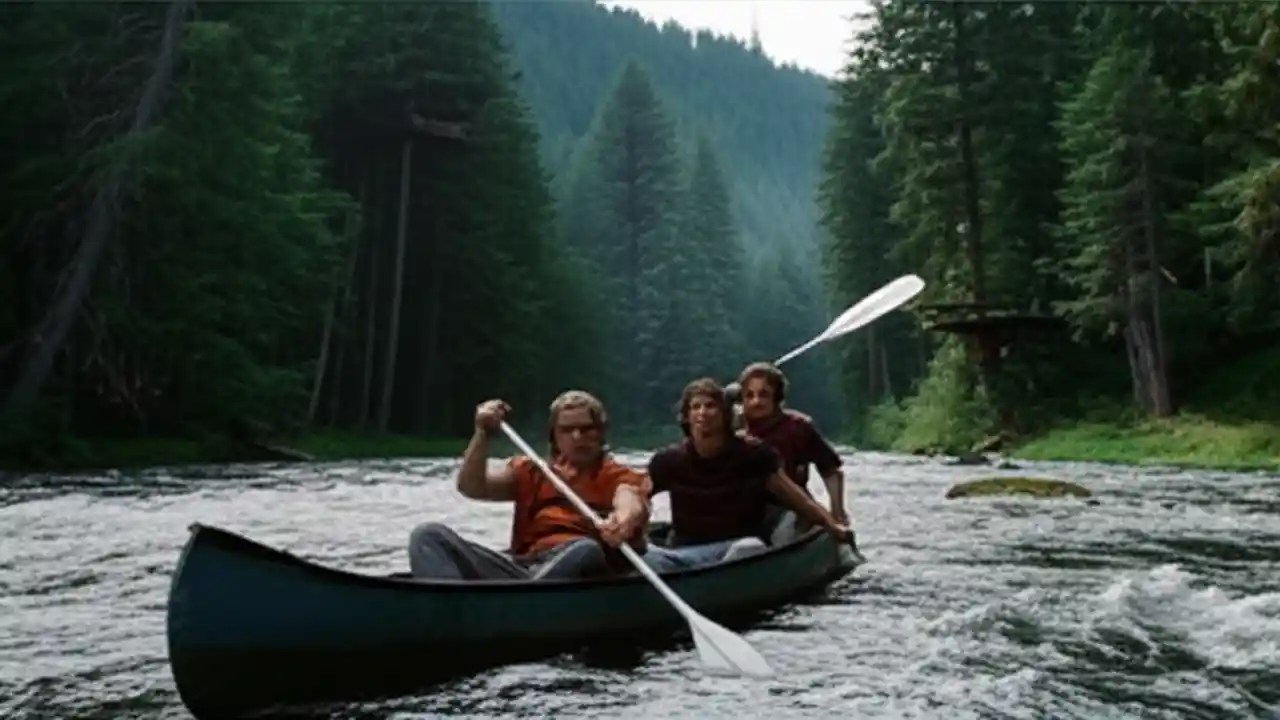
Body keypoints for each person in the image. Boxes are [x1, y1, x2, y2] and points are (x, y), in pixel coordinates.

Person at [407, 390, 650, 580]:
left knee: (586, 549)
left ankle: (525, 595)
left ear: (600, 433)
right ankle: (452, 603)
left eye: (586, 429)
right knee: (428, 535)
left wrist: (621, 522)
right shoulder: (531, 472)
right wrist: (482, 433)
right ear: (555, 436)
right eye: (567, 430)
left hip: (583, 567)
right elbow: (472, 487)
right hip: (523, 568)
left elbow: (629, 501)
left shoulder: (620, 476)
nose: (577, 437)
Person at [641, 377, 852, 572]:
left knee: (750, 548)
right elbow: (639, 495)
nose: (702, 413)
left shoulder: (754, 455)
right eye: (696, 407)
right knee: (644, 557)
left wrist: (832, 526)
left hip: (737, 549)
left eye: (711, 406)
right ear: (687, 417)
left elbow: (797, 499)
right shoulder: (667, 461)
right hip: (682, 554)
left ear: (725, 414)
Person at [726, 362, 848, 544]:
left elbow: (830, 471)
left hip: (795, 510)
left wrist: (837, 513)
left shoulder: (799, 427)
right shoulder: (733, 432)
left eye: (763, 395)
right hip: (747, 513)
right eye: (749, 395)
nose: (756, 402)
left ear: (777, 397)